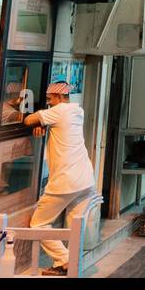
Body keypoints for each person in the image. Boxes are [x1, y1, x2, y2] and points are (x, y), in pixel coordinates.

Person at [22, 82, 95, 275]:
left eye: (49, 100)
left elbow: (28, 120)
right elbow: (56, 128)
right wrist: (44, 125)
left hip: (66, 181)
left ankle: (64, 261)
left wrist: (39, 122)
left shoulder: (60, 110)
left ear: (58, 98)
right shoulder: (76, 111)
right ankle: (71, 264)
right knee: (75, 225)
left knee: (38, 224)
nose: (48, 104)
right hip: (85, 180)